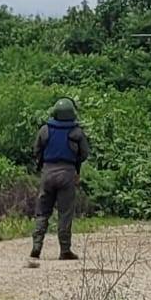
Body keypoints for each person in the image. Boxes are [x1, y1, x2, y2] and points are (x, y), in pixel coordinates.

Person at [31, 97, 88, 261]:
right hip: (67, 174)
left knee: (42, 211)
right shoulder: (77, 132)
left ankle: (36, 246)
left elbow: (36, 150)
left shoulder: (45, 130)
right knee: (65, 213)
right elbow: (84, 154)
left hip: (47, 172)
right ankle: (64, 250)